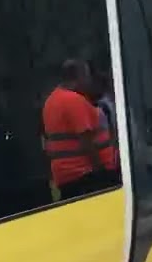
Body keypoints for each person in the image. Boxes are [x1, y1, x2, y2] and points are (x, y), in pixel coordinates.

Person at [42, 59, 118, 200]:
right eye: (87, 76)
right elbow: (86, 141)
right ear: (79, 77)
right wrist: (100, 170)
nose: (89, 81)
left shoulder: (51, 101)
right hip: (85, 175)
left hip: (66, 176)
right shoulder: (74, 101)